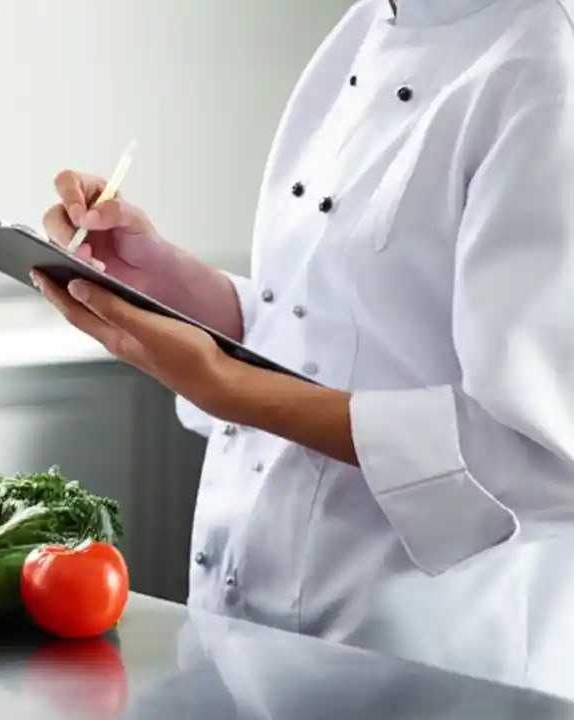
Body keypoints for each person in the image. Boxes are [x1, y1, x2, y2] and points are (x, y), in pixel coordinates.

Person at [32, 0, 574, 691]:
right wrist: (169, 280)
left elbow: (544, 454)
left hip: (436, 670)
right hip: (249, 644)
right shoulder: (363, 29)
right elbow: (324, 324)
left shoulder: (547, 70)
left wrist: (227, 387)